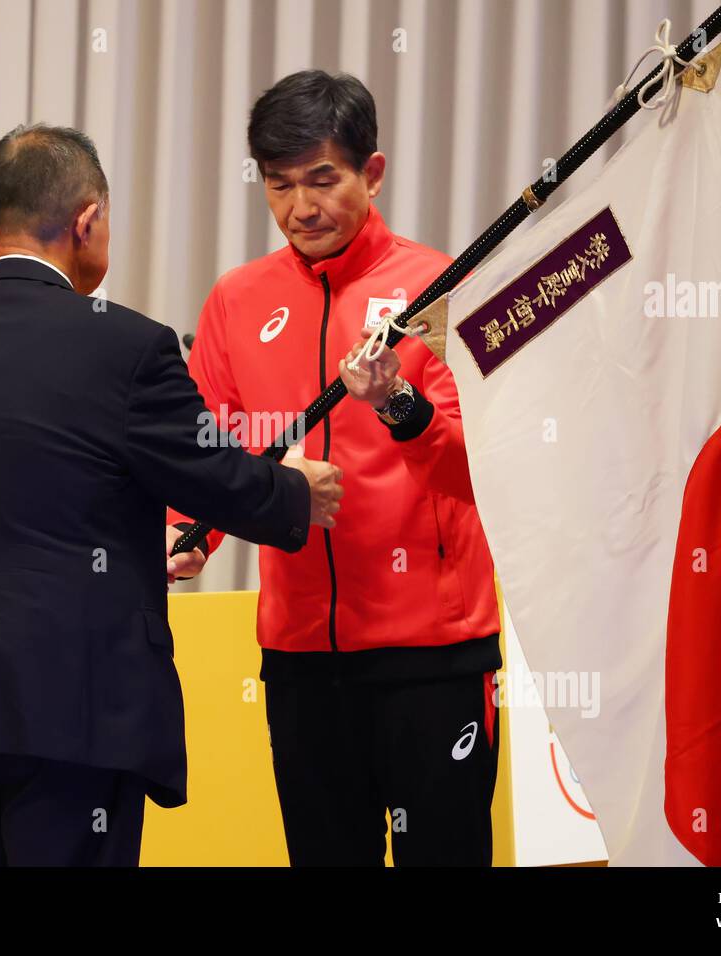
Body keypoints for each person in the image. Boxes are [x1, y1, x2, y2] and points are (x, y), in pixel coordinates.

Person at [0, 123, 343, 866]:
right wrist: (295, 490)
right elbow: (216, 478)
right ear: (88, 220)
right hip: (74, 706)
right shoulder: (127, 346)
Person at [167, 71, 501, 866]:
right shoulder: (237, 300)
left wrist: (399, 408)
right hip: (300, 656)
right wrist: (190, 536)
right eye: (278, 186)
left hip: (434, 650)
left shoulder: (440, 286)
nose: (300, 208)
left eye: (323, 180)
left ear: (372, 172)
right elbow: (209, 450)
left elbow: (481, 464)